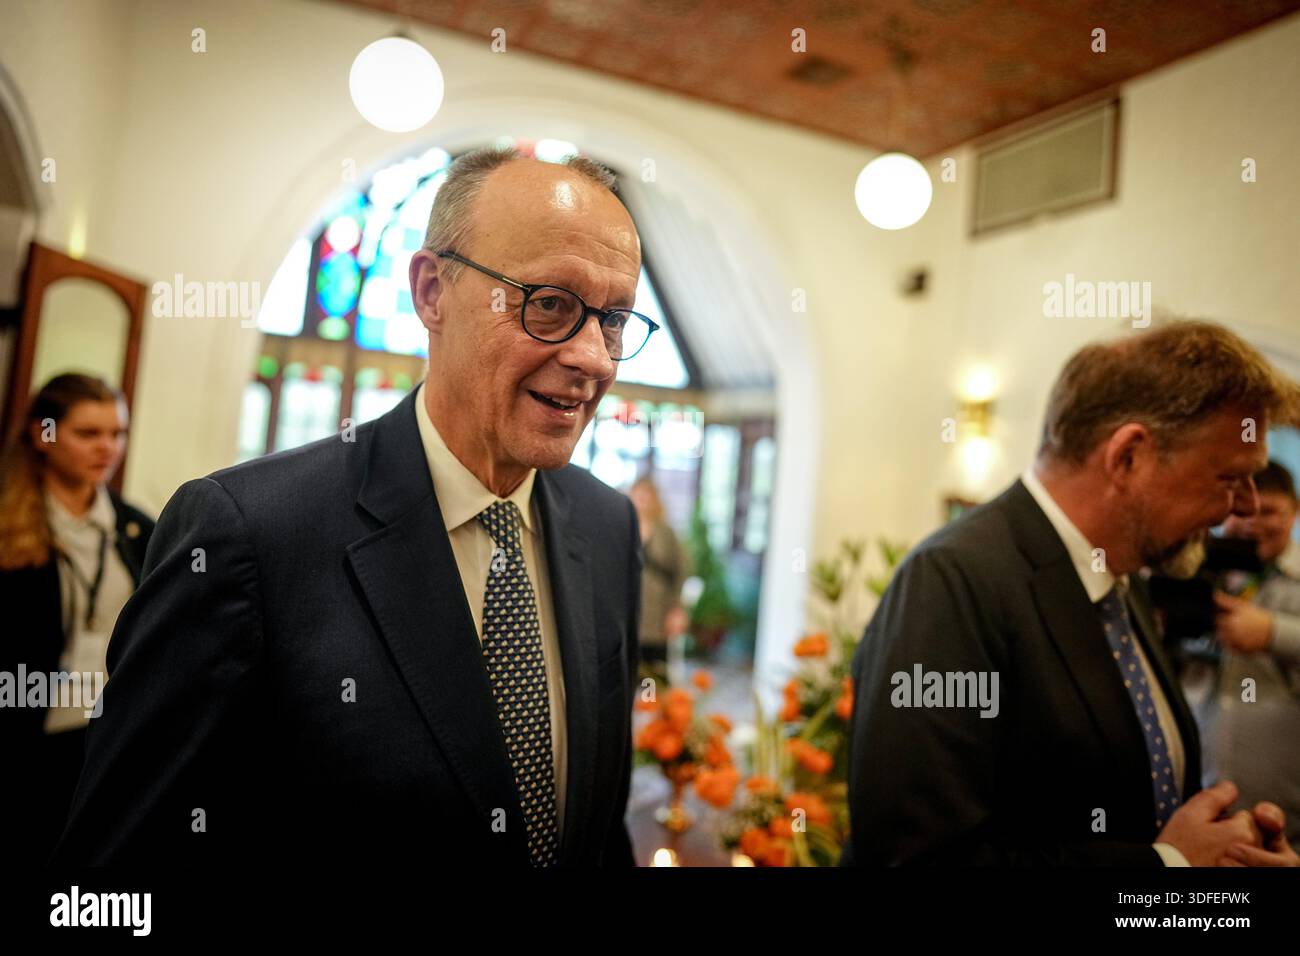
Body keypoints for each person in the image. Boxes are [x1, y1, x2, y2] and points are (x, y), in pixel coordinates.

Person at [54, 147, 649, 866]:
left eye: (613, 319)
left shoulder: (607, 526)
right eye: (551, 304)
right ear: (432, 291)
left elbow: (596, 827)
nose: (595, 358)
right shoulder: (248, 534)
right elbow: (112, 876)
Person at [844, 320, 1300, 866]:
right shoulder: (951, 581)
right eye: (1229, 478)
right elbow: (919, 859)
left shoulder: (1121, 581)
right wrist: (1167, 869)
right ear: (1129, 457)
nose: (1244, 508)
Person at [0, 373, 154, 865]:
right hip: (24, 740)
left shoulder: (135, 527)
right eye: (88, 434)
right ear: (44, 435)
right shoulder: (7, 523)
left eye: (117, 434)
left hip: (103, 740)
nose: (107, 448)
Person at [1207, 460, 1300, 846]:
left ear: (1295, 511)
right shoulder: (1200, 571)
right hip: (1203, 800)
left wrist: (1273, 632)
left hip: (1289, 809)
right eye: (1240, 511)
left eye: (1270, 511)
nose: (1252, 523)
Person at [628, 477, 687, 681]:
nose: (641, 501)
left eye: (646, 496)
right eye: (638, 495)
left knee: (652, 673)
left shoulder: (666, 533)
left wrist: (676, 610)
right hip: (627, 615)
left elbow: (679, 572)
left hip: (655, 617)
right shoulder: (620, 526)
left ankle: (651, 707)